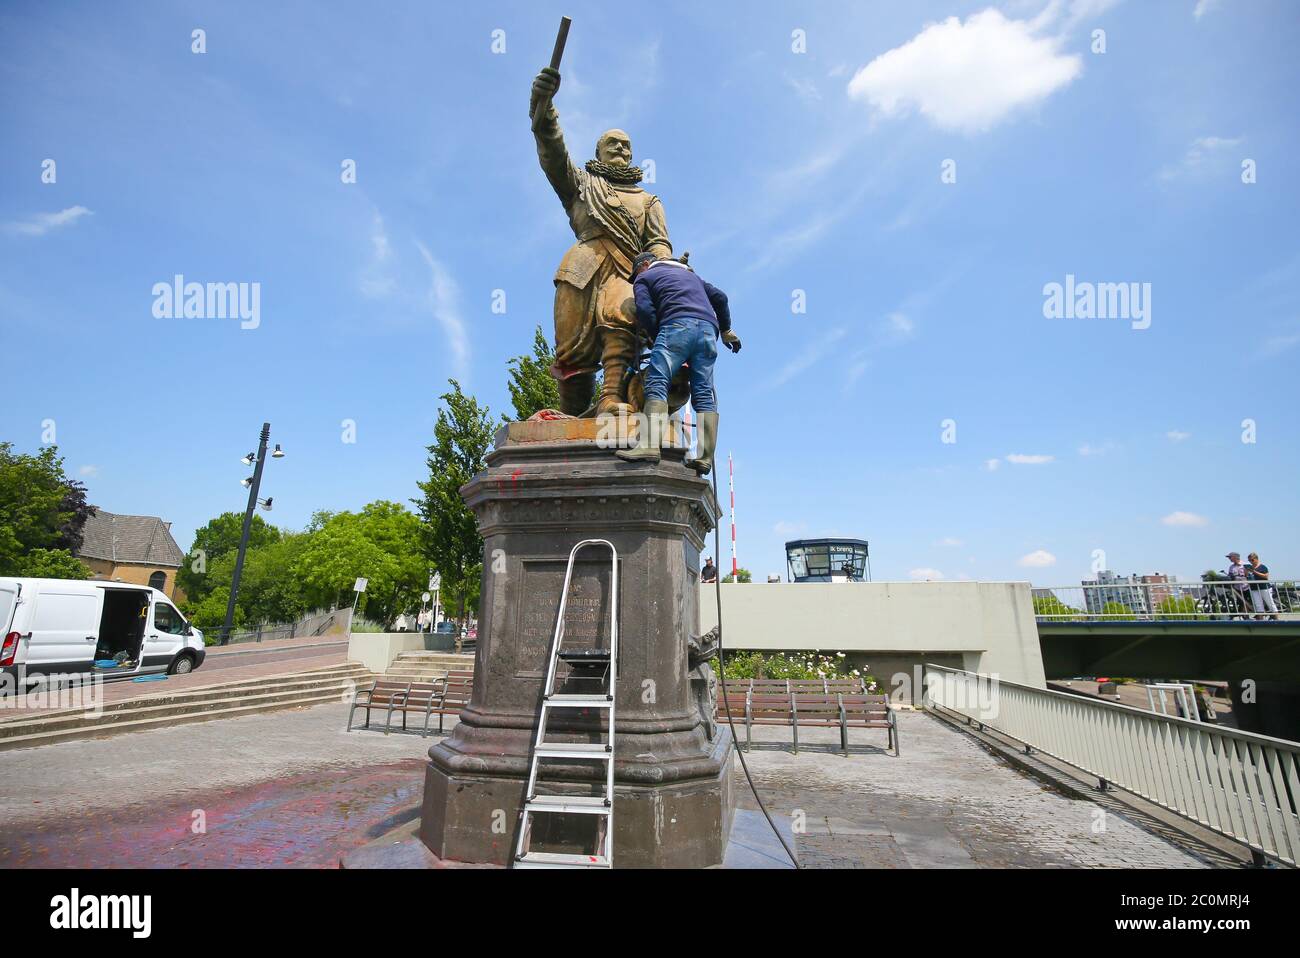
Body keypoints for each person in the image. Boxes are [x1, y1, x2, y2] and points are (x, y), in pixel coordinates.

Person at [530, 66, 673, 416]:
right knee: (570, 351)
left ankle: (610, 398)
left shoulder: (648, 201)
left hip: (628, 273)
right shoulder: (581, 185)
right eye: (614, 144)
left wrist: (664, 272)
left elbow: (658, 244)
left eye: (627, 146)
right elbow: (553, 153)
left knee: (621, 318)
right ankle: (573, 416)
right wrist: (543, 107)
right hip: (581, 270)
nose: (622, 150)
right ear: (599, 151)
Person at [616, 253, 742, 472]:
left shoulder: (645, 277)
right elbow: (720, 298)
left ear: (645, 265)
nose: (636, 278)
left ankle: (648, 445)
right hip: (708, 333)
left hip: (676, 326)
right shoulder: (693, 277)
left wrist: (656, 335)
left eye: (636, 273)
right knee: (703, 393)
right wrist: (726, 330)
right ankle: (704, 458)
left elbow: (645, 310)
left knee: (657, 381)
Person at [1246, 552, 1280, 620]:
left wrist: (1254, 571)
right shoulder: (1250, 567)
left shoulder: (1263, 567)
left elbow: (1266, 576)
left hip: (1264, 587)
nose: (1251, 562)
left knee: (1270, 603)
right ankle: (1261, 622)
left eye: (1252, 560)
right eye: (1249, 560)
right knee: (1258, 605)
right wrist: (1246, 572)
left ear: (1256, 559)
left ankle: (1277, 620)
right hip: (1254, 588)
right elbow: (1247, 576)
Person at [1225, 552, 1251, 618]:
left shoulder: (1246, 565)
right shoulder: (1231, 567)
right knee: (1241, 602)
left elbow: (1250, 575)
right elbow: (1230, 577)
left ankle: (1249, 615)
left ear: (1235, 557)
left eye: (1230, 557)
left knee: (1248, 602)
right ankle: (1245, 617)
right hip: (1238, 588)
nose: (1229, 559)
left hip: (1247, 587)